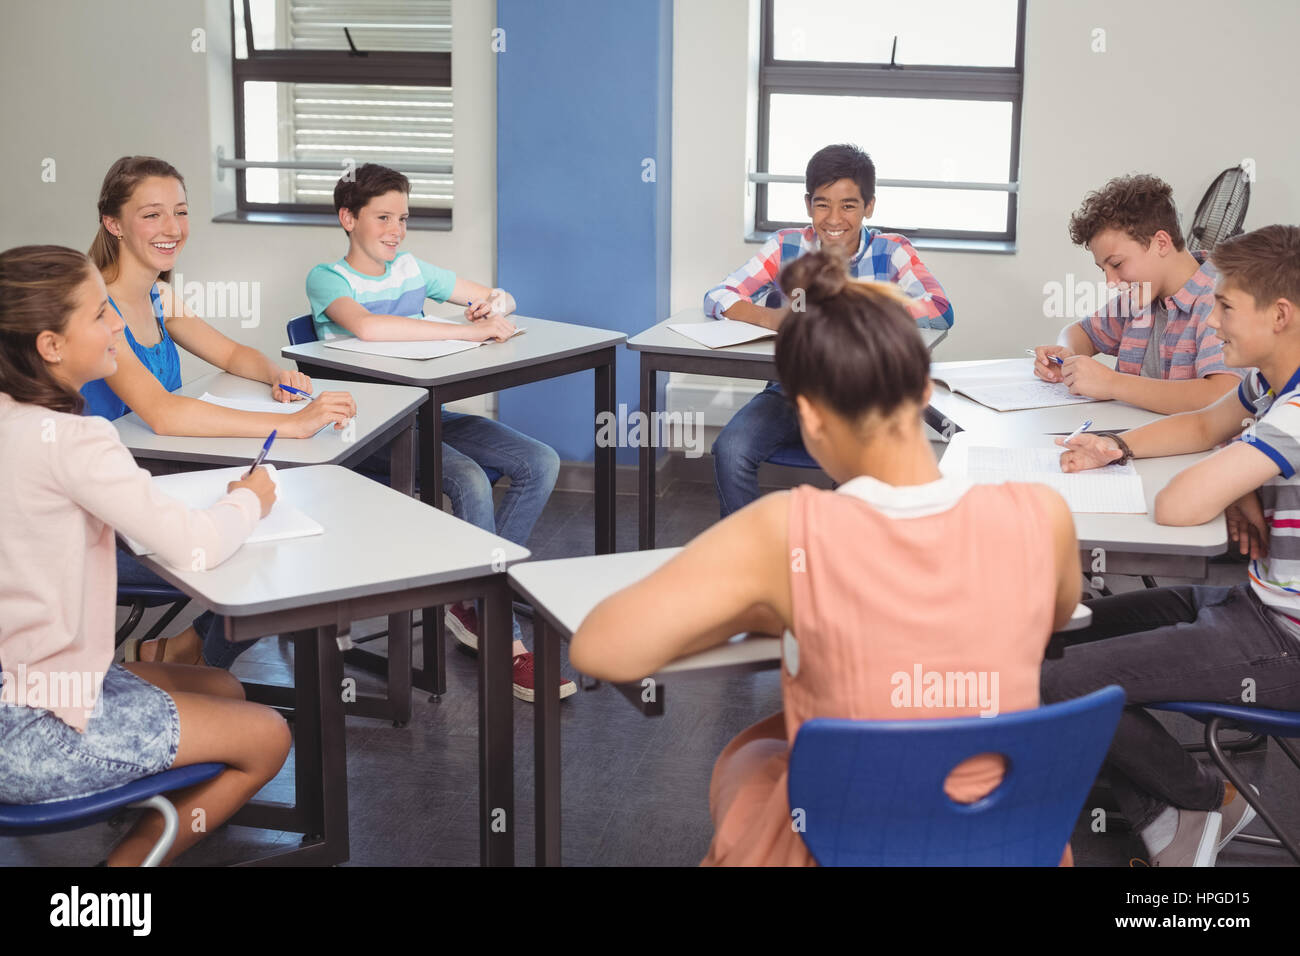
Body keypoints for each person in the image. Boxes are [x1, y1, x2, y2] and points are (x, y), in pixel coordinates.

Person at [572, 250, 1079, 865]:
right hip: (1008, 847)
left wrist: (771, 607)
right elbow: (1054, 614)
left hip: (845, 844)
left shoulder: (786, 533)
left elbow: (600, 648)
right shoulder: (1042, 515)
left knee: (754, 758)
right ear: (924, 390)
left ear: (807, 414)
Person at [0, 244, 290, 866]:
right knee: (269, 736)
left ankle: (139, 800)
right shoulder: (77, 440)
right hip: (34, 732)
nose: (117, 324)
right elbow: (196, 545)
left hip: (28, 685)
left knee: (222, 686)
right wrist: (250, 499)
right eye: (100, 313)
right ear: (51, 346)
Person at [1044, 224, 1300, 866]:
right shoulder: (1271, 383)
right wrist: (1114, 447)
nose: (1212, 323)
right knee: (1052, 635)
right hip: (1254, 606)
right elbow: (1205, 424)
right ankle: (1181, 807)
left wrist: (1237, 475)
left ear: (1280, 315)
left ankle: (1200, 802)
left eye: (1226, 307)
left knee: (1054, 685)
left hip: (1285, 643)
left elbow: (1179, 505)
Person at [306, 163, 569, 701]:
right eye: (383, 217)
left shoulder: (411, 269)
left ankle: (473, 599)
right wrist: (464, 333)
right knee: (468, 478)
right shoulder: (328, 279)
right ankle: (501, 636)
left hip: (427, 416)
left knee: (540, 461)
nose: (396, 230)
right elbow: (369, 328)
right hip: (369, 433)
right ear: (348, 218)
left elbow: (501, 296)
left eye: (403, 218)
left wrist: (492, 305)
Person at [84, 155, 356, 668]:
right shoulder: (97, 310)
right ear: (113, 223)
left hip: (159, 481)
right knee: (271, 545)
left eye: (180, 212)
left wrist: (276, 374)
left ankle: (190, 657)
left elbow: (231, 353)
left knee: (289, 520)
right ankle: (202, 668)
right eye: (152, 214)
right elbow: (163, 414)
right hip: (107, 518)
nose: (172, 228)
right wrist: (294, 425)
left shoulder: (158, 296)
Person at [703, 143, 953, 517]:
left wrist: (851, 308)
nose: (834, 218)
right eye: (822, 204)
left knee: (859, 472)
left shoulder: (891, 250)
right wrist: (772, 318)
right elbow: (718, 296)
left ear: (869, 206)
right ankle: (753, 546)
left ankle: (840, 544)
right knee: (730, 450)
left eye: (848, 205)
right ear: (808, 205)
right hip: (791, 391)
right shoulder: (787, 245)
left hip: (865, 397)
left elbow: (940, 309)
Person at [1030, 174, 1242, 414]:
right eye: (1104, 270)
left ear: (1161, 243)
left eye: (1117, 264)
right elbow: (1081, 332)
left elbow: (1223, 394)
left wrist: (1112, 383)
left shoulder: (1220, 301)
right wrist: (1066, 355)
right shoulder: (1141, 297)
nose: (1110, 282)